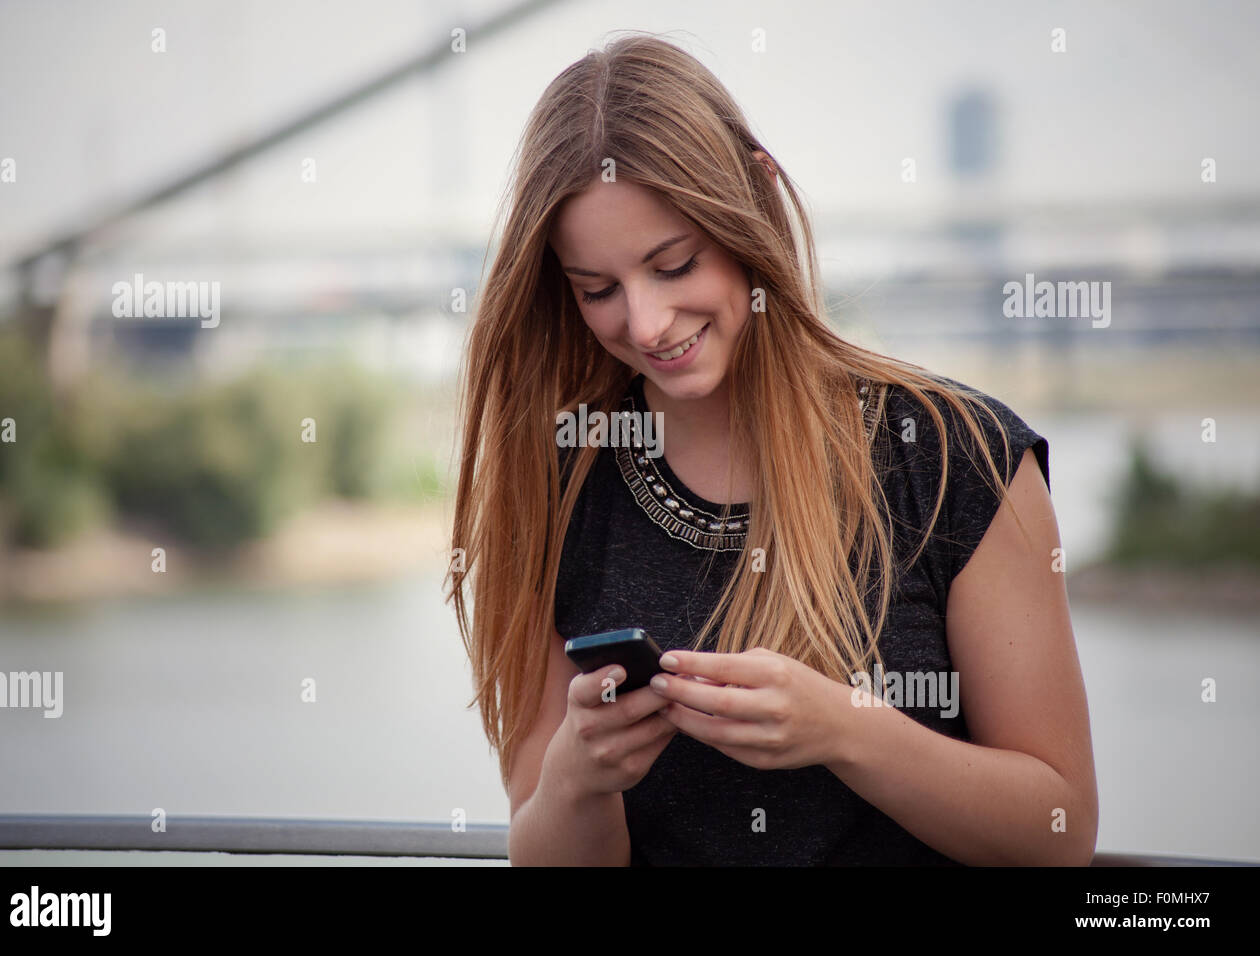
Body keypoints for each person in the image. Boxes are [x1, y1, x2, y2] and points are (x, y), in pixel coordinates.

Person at [447, 33, 1098, 866]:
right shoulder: (558, 486)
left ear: (753, 202)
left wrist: (844, 730)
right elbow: (542, 846)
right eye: (598, 290)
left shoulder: (953, 457)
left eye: (674, 265)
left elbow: (1061, 830)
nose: (644, 324)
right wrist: (578, 776)